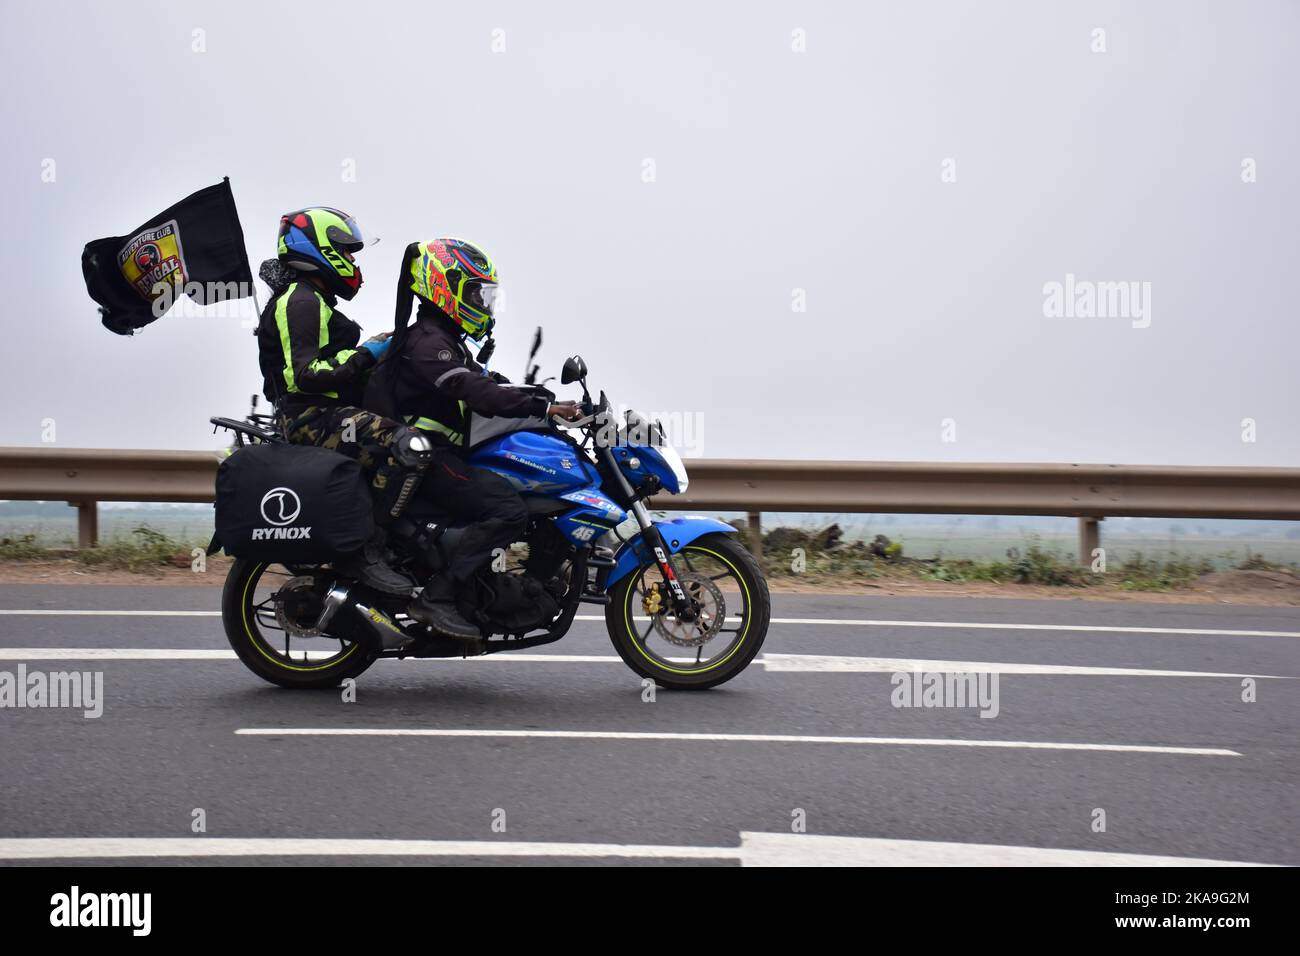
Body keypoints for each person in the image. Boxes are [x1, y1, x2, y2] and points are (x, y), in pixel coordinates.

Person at [368, 238, 580, 639]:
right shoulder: (428, 343)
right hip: (425, 459)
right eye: (475, 293)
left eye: (485, 296)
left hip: (435, 456)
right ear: (441, 287)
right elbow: (475, 391)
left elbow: (490, 383)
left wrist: (550, 400)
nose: (483, 304)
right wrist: (544, 410)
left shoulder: (447, 340)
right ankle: (439, 596)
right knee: (507, 509)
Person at [255, 207, 432, 595]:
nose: (352, 261)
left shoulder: (314, 299)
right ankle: (369, 553)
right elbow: (305, 374)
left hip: (330, 413)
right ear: (319, 249)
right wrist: (367, 352)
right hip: (312, 418)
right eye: (347, 252)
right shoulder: (300, 301)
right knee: (409, 446)